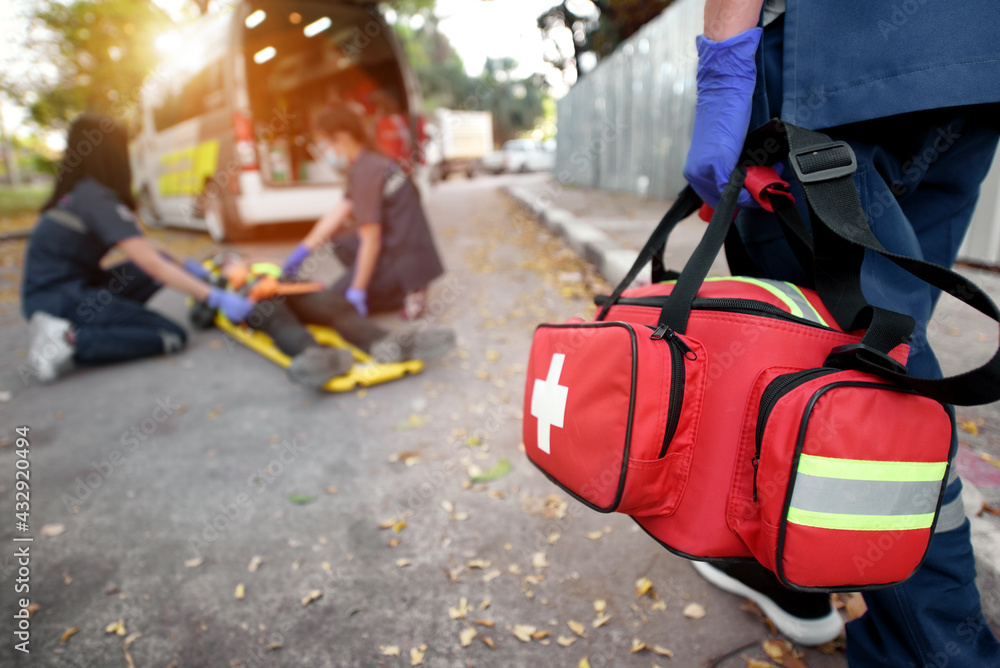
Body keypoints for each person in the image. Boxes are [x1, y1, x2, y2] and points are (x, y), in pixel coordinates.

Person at [683, 1, 1000, 665]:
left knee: (871, 379)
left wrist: (723, 71)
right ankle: (790, 563)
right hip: (970, 67)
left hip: (830, 67)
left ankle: (939, 651)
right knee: (884, 351)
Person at [21, 114, 254, 383]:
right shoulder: (95, 198)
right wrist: (215, 297)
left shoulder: (82, 193)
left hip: (69, 288)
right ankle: (66, 340)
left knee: (155, 262)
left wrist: (197, 271)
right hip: (60, 299)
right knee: (170, 335)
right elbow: (152, 264)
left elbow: (150, 250)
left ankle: (90, 324)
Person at [189, 255, 455, 390]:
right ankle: (319, 358)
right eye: (225, 261)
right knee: (279, 322)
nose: (231, 261)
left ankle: (386, 343)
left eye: (232, 258)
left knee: (334, 308)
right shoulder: (217, 282)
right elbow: (199, 316)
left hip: (289, 287)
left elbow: (288, 272)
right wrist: (216, 297)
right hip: (255, 300)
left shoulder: (261, 265)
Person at [282, 106, 444, 321]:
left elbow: (371, 241)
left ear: (342, 138)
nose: (325, 151)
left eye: (325, 144)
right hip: (397, 247)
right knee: (340, 239)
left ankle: (402, 289)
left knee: (333, 303)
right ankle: (381, 285)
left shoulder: (367, 170)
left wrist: (357, 290)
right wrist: (301, 252)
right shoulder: (365, 162)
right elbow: (336, 215)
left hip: (404, 257)